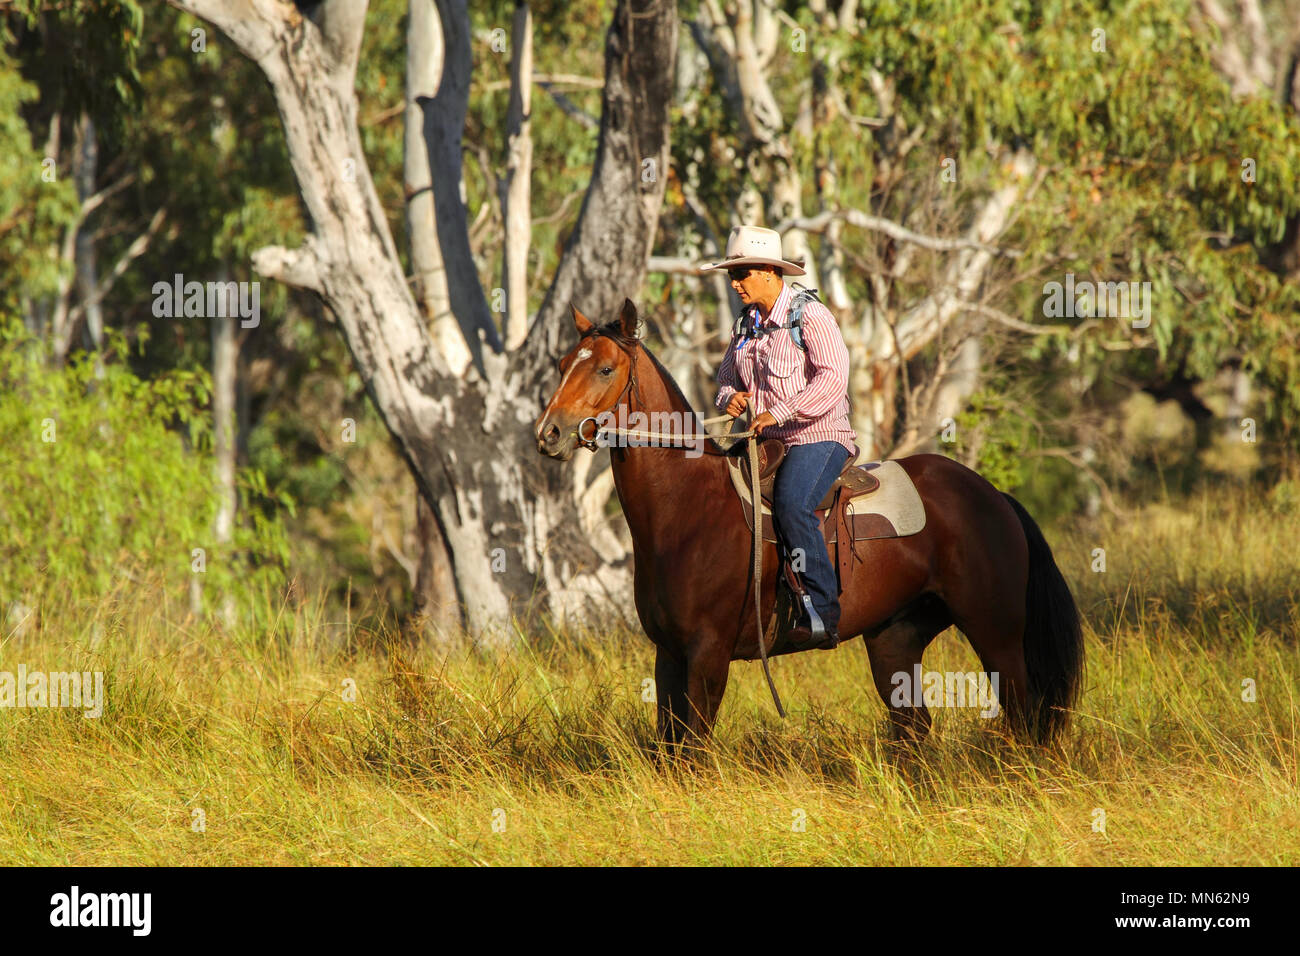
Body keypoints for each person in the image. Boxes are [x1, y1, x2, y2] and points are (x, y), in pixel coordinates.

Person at [703, 225, 859, 646]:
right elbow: (723, 378)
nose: (735, 283)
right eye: (732, 275)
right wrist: (728, 397)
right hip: (765, 440)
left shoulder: (810, 315)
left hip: (818, 436)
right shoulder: (745, 324)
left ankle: (823, 611)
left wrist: (779, 411)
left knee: (791, 503)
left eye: (743, 274)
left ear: (771, 271)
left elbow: (833, 380)